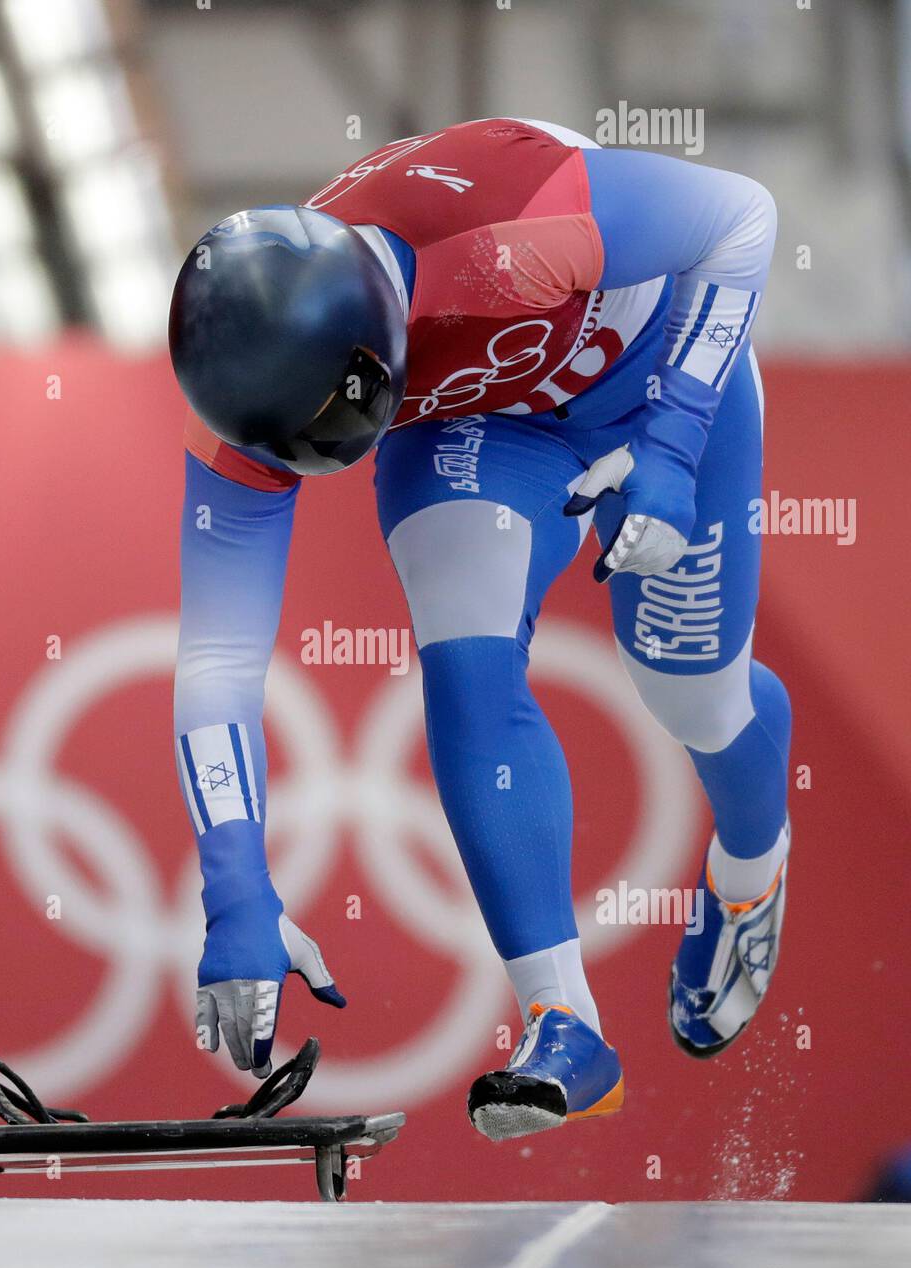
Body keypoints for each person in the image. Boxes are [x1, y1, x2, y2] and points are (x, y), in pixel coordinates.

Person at [168, 118, 791, 1141]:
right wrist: (234, 889)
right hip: (473, 425)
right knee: (463, 666)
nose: (323, 456)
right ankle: (562, 1022)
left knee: (694, 696)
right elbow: (217, 665)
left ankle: (749, 865)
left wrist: (674, 443)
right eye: (309, 451)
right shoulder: (235, 419)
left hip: (650, 380)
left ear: (378, 332)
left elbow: (740, 217)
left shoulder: (513, 224)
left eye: (340, 425)